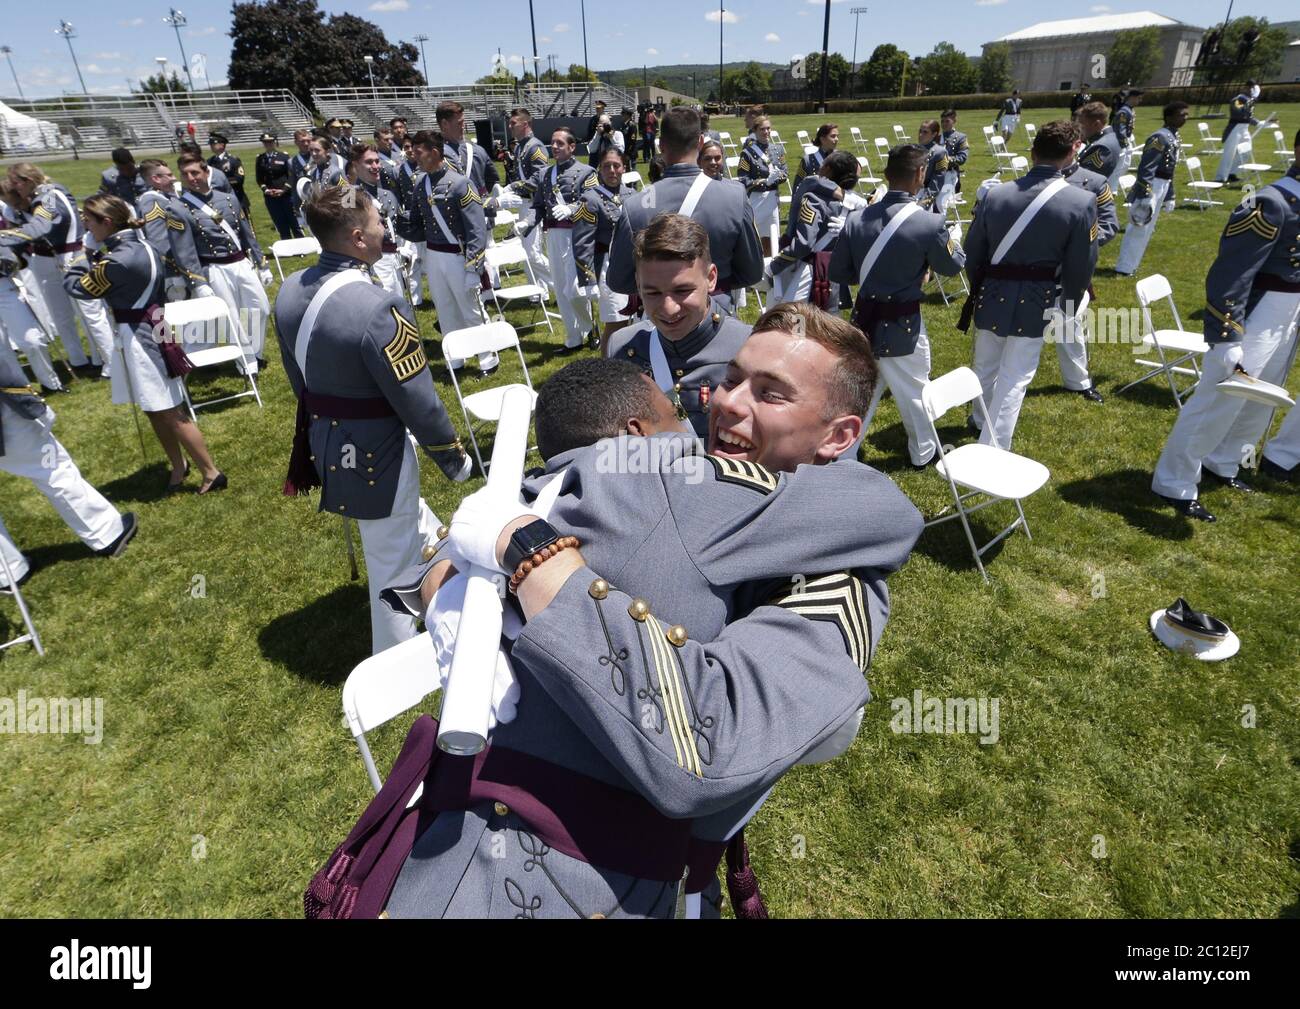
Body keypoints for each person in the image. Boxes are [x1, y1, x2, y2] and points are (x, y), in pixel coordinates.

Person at [368, 304, 922, 919]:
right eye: (734, 378)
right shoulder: (667, 475)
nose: (728, 403)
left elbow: (708, 744)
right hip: (517, 879)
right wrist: (451, 573)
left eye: (770, 394)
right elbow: (525, 496)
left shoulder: (832, 563)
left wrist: (521, 561)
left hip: (537, 869)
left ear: (839, 437)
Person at [275, 185, 471, 652]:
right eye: (379, 221)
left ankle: (449, 576)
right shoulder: (378, 306)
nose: (386, 225)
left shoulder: (286, 290)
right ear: (359, 239)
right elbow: (417, 397)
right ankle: (396, 657)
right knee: (391, 566)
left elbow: (296, 379)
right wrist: (453, 456)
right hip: (376, 455)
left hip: (325, 440)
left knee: (408, 529)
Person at [1150, 136, 1300, 521]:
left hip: (1288, 310)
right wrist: (1227, 334)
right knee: (1219, 399)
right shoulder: (1270, 202)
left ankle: (1225, 461)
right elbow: (1231, 274)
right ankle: (1175, 482)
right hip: (1258, 311)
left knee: (1261, 397)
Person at [64, 195, 225, 494]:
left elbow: (76, 287)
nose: (86, 224)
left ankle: (211, 472)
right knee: (155, 407)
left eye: (90, 219)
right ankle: (179, 465)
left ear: (107, 222)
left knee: (169, 409)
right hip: (153, 325)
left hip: (140, 335)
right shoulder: (142, 246)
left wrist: (83, 254)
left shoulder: (117, 259)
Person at [959, 120, 1098, 451]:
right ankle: (993, 448)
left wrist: (980, 287)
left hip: (992, 292)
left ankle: (980, 420)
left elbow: (972, 253)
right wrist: (1067, 305)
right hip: (1038, 298)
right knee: (1015, 377)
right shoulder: (1081, 201)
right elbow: (1081, 266)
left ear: (1032, 153)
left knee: (985, 366)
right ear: (1069, 156)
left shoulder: (995, 195)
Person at [830, 143, 966, 468]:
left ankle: (843, 452)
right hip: (903, 323)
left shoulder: (856, 218)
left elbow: (840, 272)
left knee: (863, 390)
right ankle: (923, 453)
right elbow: (954, 265)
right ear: (921, 174)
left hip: (863, 318)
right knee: (917, 391)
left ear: (887, 174)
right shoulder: (931, 223)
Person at [1, 311, 137, 581]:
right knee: (53, 469)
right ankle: (106, 533)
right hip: (7, 419)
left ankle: (8, 571)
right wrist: (35, 407)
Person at [608, 214, 751, 438]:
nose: (669, 308)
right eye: (653, 293)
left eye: (682, 291)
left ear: (711, 278)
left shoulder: (748, 348)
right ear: (638, 284)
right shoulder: (622, 346)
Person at [609, 107, 763, 315]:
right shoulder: (734, 196)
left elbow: (619, 280)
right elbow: (752, 272)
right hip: (715, 312)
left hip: (661, 317)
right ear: (700, 143)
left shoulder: (634, 206)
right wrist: (713, 284)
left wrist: (659, 290)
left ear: (661, 145)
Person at [1, 164, 115, 379]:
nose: (14, 188)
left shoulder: (50, 195)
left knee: (90, 314)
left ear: (28, 180)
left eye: (16, 182)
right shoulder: (29, 201)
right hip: (45, 259)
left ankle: (110, 362)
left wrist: (4, 236)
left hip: (72, 257)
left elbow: (40, 227)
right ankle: (78, 361)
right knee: (60, 315)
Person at [170, 152, 273, 371]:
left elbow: (246, 233)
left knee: (260, 308)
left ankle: (254, 351)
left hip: (240, 262)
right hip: (214, 268)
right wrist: (199, 283)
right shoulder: (178, 208)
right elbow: (184, 251)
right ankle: (248, 363)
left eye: (195, 172)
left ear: (206, 172)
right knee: (233, 318)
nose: (191, 178)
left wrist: (261, 262)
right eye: (185, 174)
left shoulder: (228, 198)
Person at [408, 130, 497, 373]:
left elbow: (476, 230)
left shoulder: (460, 184)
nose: (414, 156)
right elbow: (416, 224)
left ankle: (487, 358)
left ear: (434, 153)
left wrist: (473, 268)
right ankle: (456, 358)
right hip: (433, 255)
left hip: (458, 256)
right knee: (445, 308)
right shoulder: (420, 184)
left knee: (470, 310)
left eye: (419, 152)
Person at [1054, 123, 1118, 404]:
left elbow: (1108, 224)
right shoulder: (1037, 181)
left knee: (1070, 324)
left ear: (1077, 147)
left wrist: (1078, 246)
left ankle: (1077, 381)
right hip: (1036, 269)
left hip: (1071, 270)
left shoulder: (1094, 182)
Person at [529, 126, 599, 353]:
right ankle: (573, 338)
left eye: (560, 143)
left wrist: (571, 208)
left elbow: (592, 201)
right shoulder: (545, 174)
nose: (555, 147)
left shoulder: (587, 172)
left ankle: (590, 327)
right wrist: (527, 224)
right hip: (554, 235)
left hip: (577, 235)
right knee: (560, 289)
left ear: (572, 147)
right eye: (553, 142)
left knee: (575, 290)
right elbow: (538, 206)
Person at [770, 151, 856, 308]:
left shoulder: (814, 199)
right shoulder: (856, 204)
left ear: (827, 169)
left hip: (809, 268)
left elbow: (804, 244)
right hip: (837, 267)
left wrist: (774, 266)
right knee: (828, 319)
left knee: (795, 317)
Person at [1114, 102, 1188, 278]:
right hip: (1152, 184)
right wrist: (1146, 194)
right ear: (1169, 117)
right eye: (1181, 114)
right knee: (1139, 226)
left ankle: (1132, 264)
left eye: (1186, 115)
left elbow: (1171, 170)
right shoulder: (1159, 137)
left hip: (1163, 183)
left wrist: (1170, 194)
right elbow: (1147, 168)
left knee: (1148, 228)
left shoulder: (1173, 136)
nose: (1185, 118)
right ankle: (1124, 266)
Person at [573, 148, 636, 353]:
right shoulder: (590, 199)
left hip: (634, 265)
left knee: (635, 322)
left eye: (616, 165)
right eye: (606, 166)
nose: (612, 170)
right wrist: (588, 278)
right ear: (599, 170)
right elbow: (583, 242)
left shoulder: (633, 195)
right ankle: (607, 369)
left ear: (623, 168)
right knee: (616, 322)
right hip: (608, 267)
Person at [0, 237, 62, 393]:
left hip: (3, 289)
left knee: (32, 341)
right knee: (2, 351)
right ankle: (21, 392)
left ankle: (51, 384)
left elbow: (11, 261)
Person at [502, 109, 552, 290]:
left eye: (513, 123)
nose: (510, 126)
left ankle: (559, 283)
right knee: (527, 251)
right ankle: (538, 291)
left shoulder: (535, 146)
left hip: (534, 204)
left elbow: (539, 177)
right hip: (525, 202)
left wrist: (514, 187)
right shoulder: (522, 146)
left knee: (532, 252)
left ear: (525, 124)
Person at [351, 143, 406, 301]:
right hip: (371, 260)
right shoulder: (349, 194)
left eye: (377, 161)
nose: (375, 166)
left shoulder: (387, 194)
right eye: (369, 162)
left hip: (395, 258)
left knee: (399, 301)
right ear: (355, 165)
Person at [436, 101, 500, 236]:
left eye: (463, 122)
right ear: (445, 124)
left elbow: (492, 180)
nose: (463, 127)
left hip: (479, 219)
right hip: (454, 224)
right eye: (459, 123)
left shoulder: (477, 150)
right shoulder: (436, 155)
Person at [737, 115, 786, 255]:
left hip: (772, 199)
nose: (766, 132)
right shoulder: (747, 153)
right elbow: (743, 179)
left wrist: (776, 179)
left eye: (768, 128)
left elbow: (785, 172)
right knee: (753, 235)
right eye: (762, 129)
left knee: (773, 236)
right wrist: (764, 182)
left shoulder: (778, 149)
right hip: (756, 199)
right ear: (755, 131)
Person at [392, 136, 427, 306]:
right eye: (406, 147)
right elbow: (396, 195)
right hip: (409, 218)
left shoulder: (426, 168)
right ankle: (415, 300)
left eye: (412, 147)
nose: (410, 150)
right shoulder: (397, 170)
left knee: (430, 259)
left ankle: (438, 296)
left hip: (428, 218)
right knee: (411, 261)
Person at [1215, 80, 1271, 184]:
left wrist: (1260, 123)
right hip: (1235, 128)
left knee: (1246, 151)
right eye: (1250, 88)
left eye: (1253, 88)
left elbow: (1249, 116)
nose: (1251, 90)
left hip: (1244, 128)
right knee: (1229, 153)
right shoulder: (1238, 99)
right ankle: (1220, 177)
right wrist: (1252, 101)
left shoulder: (1249, 100)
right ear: (1245, 88)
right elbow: (1240, 113)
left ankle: (1232, 173)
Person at [256, 132, 303, 241]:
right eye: (265, 142)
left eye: (270, 142)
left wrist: (284, 189)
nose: (268, 144)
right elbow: (259, 178)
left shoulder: (284, 156)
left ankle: (301, 245)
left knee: (293, 221)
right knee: (280, 222)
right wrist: (266, 190)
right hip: (270, 196)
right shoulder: (260, 158)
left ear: (275, 142)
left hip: (286, 195)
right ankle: (287, 245)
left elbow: (290, 176)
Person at [1077, 101, 1125, 195]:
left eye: (1083, 124)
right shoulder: (1108, 137)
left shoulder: (1102, 147)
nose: (1079, 128)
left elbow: (1085, 180)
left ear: (1096, 125)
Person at [207, 132, 250, 217]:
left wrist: (221, 183)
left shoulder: (233, 160)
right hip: (218, 199)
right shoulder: (209, 161)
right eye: (210, 144)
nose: (211, 146)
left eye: (213, 143)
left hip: (236, 197)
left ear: (222, 145)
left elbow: (239, 179)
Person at [916, 119, 950, 212]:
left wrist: (923, 204)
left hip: (924, 195)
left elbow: (936, 184)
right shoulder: (912, 150)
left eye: (925, 132)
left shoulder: (940, 153)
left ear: (934, 134)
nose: (920, 135)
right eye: (920, 131)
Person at [939, 109, 969, 212]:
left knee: (941, 203)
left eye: (947, 121)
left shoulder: (961, 138)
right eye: (942, 121)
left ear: (954, 121)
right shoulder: (936, 138)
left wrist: (945, 160)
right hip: (935, 174)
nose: (944, 124)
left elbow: (962, 158)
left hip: (950, 174)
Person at [793, 123, 839, 188]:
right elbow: (798, 186)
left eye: (837, 136)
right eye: (833, 136)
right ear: (822, 139)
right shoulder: (808, 160)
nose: (837, 139)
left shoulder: (841, 158)